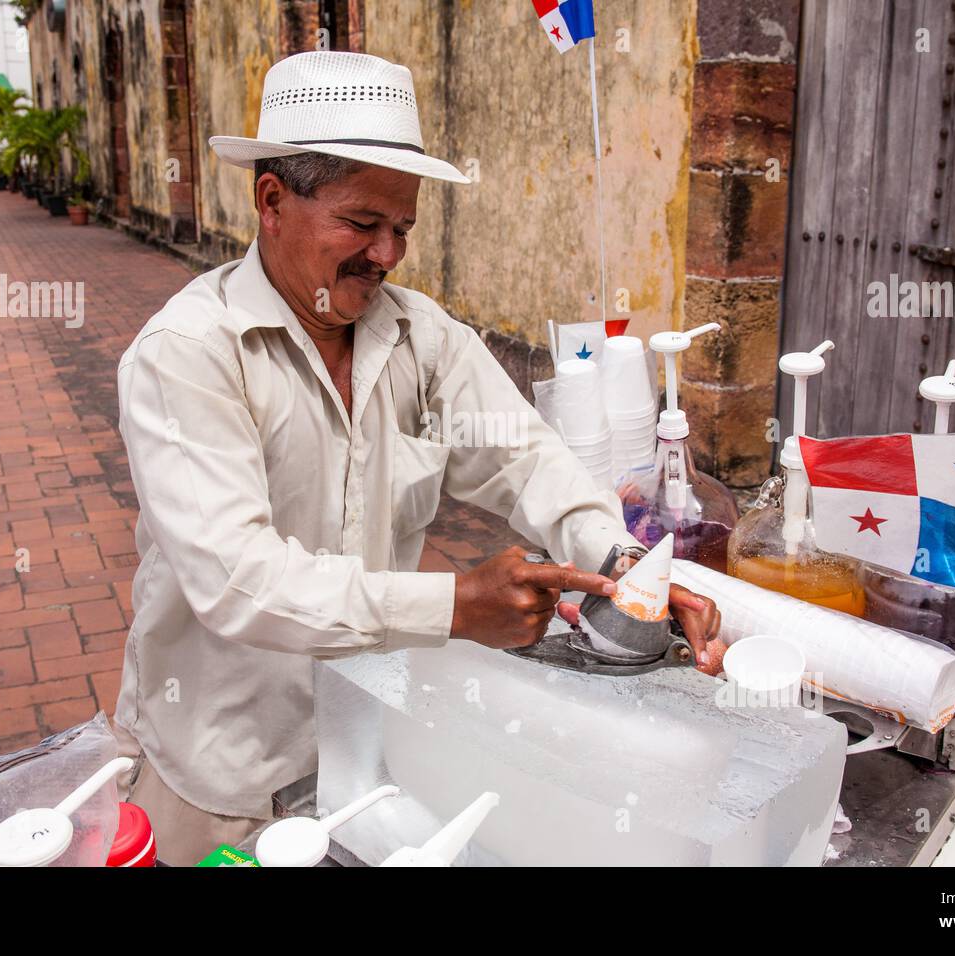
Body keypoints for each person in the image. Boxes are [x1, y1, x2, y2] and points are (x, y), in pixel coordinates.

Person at [112, 51, 722, 866]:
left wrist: (621, 567)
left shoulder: (418, 336)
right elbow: (238, 580)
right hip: (225, 769)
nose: (388, 253)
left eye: (402, 227)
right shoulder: (188, 355)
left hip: (369, 741)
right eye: (362, 223)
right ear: (272, 200)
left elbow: (526, 460)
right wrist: (456, 606)